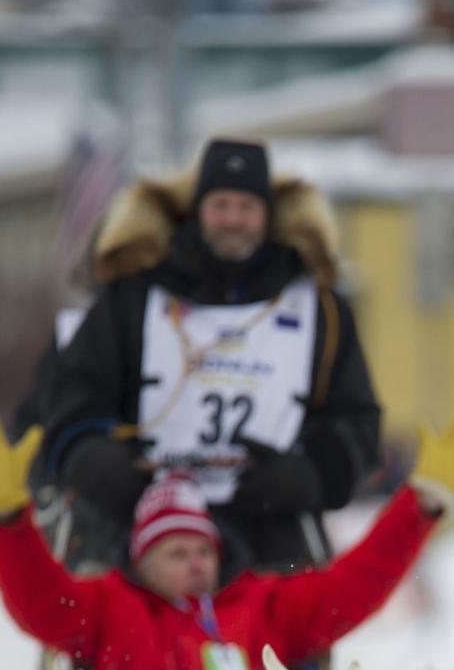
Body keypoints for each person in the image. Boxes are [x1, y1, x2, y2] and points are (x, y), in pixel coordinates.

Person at [0, 402, 454, 670]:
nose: (194, 563)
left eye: (201, 550)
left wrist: (419, 503)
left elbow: (358, 582)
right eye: (175, 552)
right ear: (141, 559)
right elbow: (39, 602)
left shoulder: (261, 605)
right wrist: (7, 517)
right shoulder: (107, 607)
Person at [35, 137, 381, 578]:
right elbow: (70, 397)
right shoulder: (133, 297)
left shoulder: (321, 309)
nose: (233, 220)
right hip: (139, 527)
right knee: (116, 641)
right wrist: (100, 464)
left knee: (286, 646)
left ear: (268, 217)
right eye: (220, 205)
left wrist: (308, 475)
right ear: (198, 211)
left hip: (274, 536)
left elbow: (359, 421)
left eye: (246, 207)